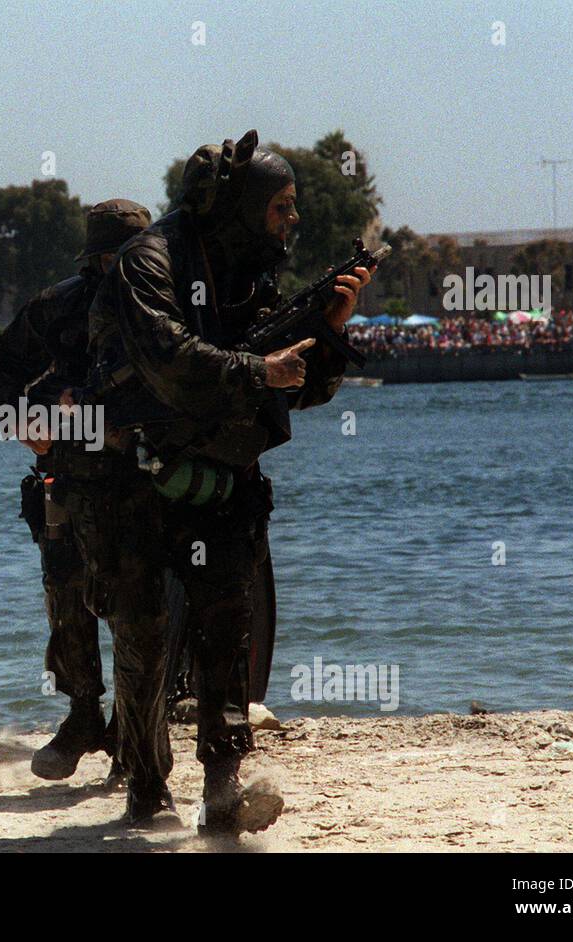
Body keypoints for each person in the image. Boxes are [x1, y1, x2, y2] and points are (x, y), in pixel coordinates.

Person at [86, 131, 375, 828]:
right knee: (144, 637)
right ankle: (148, 783)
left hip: (222, 480)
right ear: (238, 206)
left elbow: (297, 390)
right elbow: (170, 360)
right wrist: (257, 370)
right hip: (137, 476)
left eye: (293, 209)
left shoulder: (247, 273)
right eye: (281, 208)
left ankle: (222, 789)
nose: (291, 221)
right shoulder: (145, 263)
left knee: (227, 626)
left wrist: (326, 334)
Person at [0, 199, 152, 781]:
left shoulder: (162, 300)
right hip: (70, 474)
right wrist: (22, 425)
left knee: (135, 608)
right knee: (66, 591)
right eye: (117, 257)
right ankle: (83, 712)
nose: (128, 268)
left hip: (143, 476)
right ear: (96, 259)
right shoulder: (61, 304)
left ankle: (134, 734)